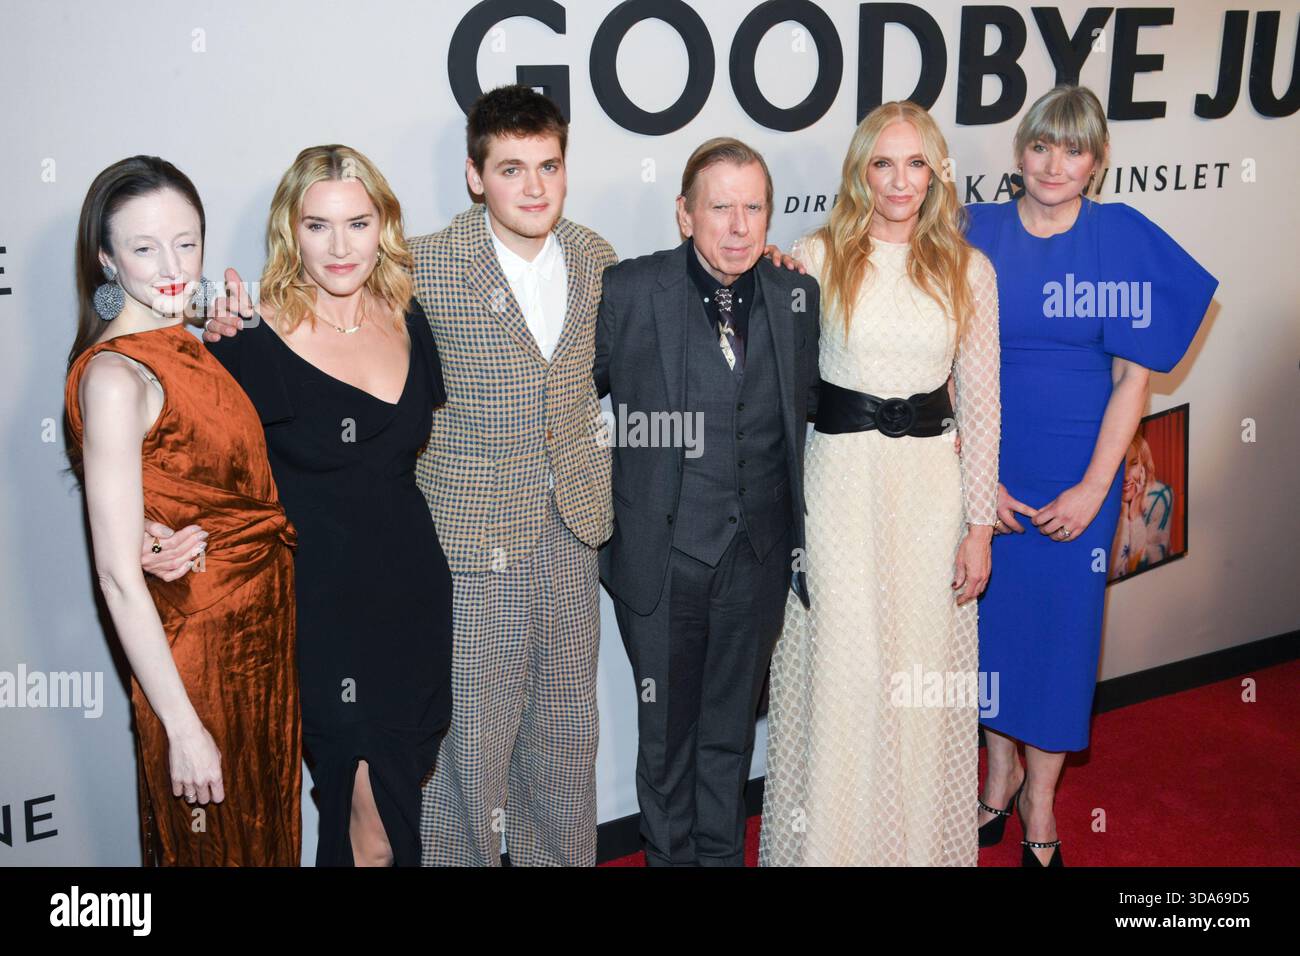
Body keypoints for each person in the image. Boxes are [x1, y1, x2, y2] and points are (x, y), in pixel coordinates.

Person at [152, 146, 454, 867]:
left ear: (384, 225)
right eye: (318, 225)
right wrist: (150, 530)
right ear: (291, 231)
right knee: (367, 831)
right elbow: (181, 465)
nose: (341, 246)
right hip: (319, 613)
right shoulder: (248, 339)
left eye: (359, 222)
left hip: (413, 600)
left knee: (398, 806)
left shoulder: (409, 320)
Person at [966, 85, 1216, 866]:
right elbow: (936, 363)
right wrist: (977, 483)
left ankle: (1041, 804)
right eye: (1041, 146)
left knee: (1060, 643)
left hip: (1083, 474)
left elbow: (1132, 383)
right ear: (1020, 153)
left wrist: (1093, 490)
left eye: (1073, 149)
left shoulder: (1123, 238)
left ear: (1098, 163)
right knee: (989, 638)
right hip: (987, 470)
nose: (1054, 164)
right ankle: (996, 777)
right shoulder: (973, 229)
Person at [760, 103, 1001, 867]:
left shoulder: (970, 269)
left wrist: (980, 525)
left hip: (930, 491)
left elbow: (984, 404)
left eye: (916, 163)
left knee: (919, 674)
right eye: (883, 164)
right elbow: (782, 384)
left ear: (937, 172)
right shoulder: (815, 255)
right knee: (845, 670)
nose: (900, 181)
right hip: (838, 487)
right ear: (860, 171)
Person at [65, 156, 300, 865]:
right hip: (199, 662)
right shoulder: (114, 377)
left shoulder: (177, 338)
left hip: (260, 639)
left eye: (187, 242)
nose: (172, 265)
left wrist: (204, 306)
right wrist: (182, 726)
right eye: (143, 248)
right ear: (107, 259)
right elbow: (115, 578)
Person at [596, 137, 822, 866]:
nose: (738, 225)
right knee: (666, 744)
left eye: (753, 207)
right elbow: (562, 400)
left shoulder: (795, 296)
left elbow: (823, 404)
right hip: (660, 565)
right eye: (719, 207)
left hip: (757, 560)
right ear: (683, 214)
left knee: (728, 738)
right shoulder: (629, 292)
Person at [408, 85, 618, 866]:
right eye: (511, 169)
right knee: (470, 747)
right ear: (474, 175)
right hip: (474, 542)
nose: (534, 188)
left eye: (549, 166)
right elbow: (332, 330)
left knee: (567, 739)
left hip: (574, 530)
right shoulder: (423, 265)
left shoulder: (598, 259)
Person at [1110, 434, 1172, 577]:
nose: (1125, 477)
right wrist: (1124, 513)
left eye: (1133, 464)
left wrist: (1136, 515)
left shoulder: (1158, 496)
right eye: (1119, 466)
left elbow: (1150, 564)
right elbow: (1113, 572)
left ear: (1143, 464)